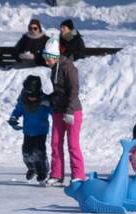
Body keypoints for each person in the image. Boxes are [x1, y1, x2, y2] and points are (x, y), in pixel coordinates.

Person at [43, 38, 84, 185]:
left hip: (72, 111)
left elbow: (74, 90)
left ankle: (78, 175)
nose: (45, 61)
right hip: (58, 111)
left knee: (73, 144)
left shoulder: (69, 67)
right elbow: (58, 91)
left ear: (53, 57)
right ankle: (57, 174)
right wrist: (48, 99)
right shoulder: (54, 69)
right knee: (55, 142)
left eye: (47, 58)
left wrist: (70, 111)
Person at [7, 75, 52, 183]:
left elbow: (55, 112)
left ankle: (42, 171)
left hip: (41, 131)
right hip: (28, 131)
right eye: (29, 94)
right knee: (26, 152)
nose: (31, 97)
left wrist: (51, 106)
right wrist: (13, 118)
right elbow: (18, 110)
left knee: (39, 152)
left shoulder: (45, 101)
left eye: (34, 95)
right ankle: (32, 168)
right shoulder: (23, 100)